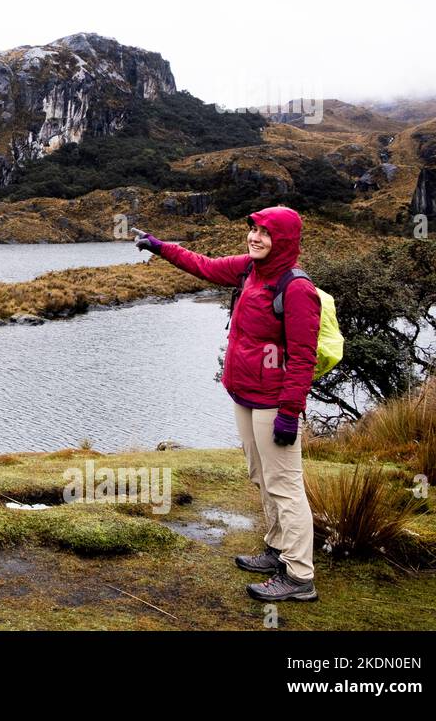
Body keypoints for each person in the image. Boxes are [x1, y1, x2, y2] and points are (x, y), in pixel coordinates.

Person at [134, 206, 320, 602]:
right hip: (245, 395)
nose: (255, 238)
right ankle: (276, 550)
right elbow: (202, 265)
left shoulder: (297, 289)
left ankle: (300, 575)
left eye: (265, 233)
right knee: (261, 476)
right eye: (252, 230)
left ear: (283, 240)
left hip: (274, 403)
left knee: (285, 486)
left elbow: (303, 358)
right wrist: (159, 246)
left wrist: (289, 412)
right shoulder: (249, 269)